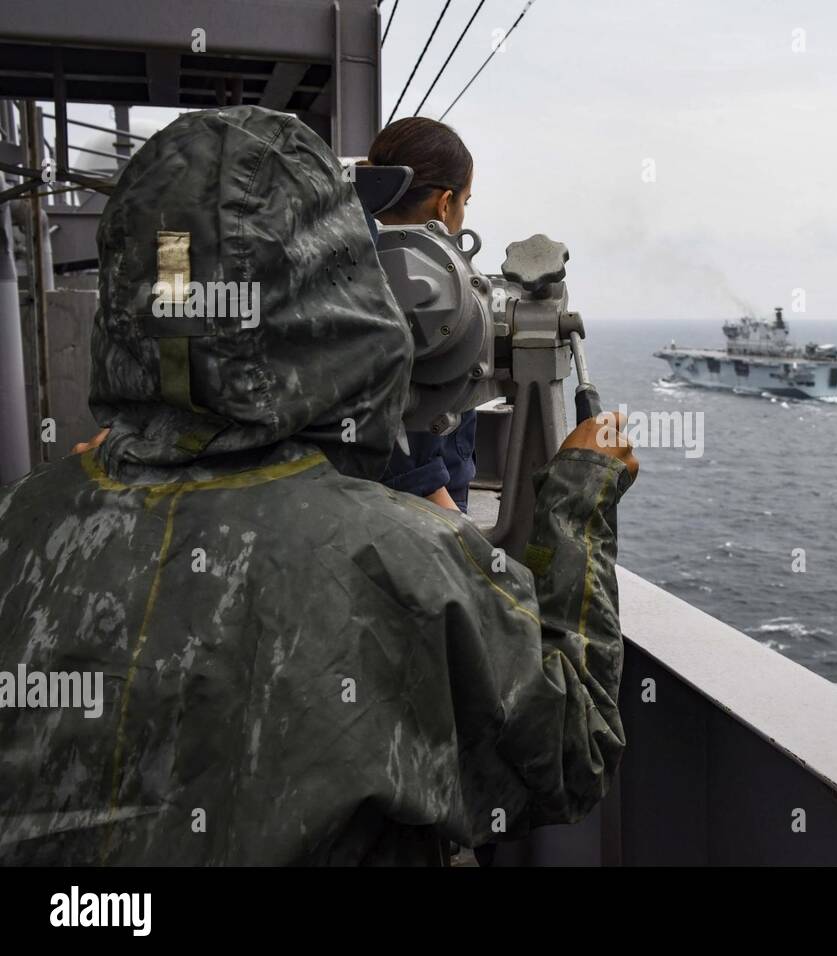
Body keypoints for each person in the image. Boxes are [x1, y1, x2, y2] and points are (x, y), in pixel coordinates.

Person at [0, 105, 636, 865]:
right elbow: (570, 754)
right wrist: (580, 499)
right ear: (336, 298)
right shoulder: (406, 565)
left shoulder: (23, 520)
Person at [369, 117, 479, 513]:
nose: (462, 213)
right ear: (444, 203)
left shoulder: (352, 269)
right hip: (421, 527)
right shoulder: (422, 298)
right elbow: (416, 469)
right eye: (466, 201)